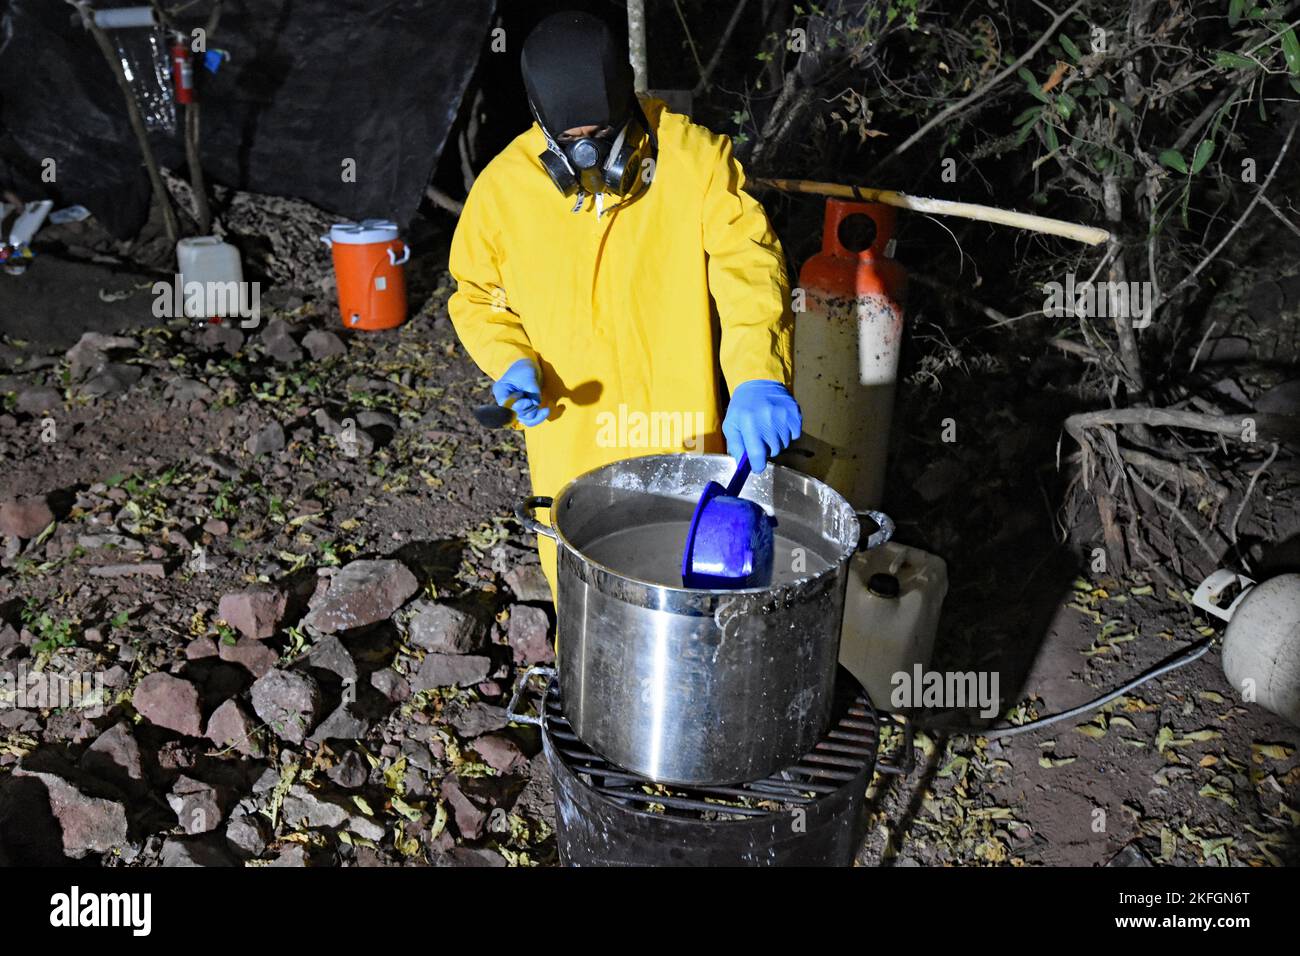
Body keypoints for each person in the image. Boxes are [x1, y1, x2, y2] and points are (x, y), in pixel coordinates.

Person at [448, 10, 801, 598]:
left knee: (694, 588)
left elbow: (751, 269)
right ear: (539, 118)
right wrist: (508, 358)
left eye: (601, 136)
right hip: (571, 441)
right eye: (571, 143)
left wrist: (758, 375)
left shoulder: (694, 160)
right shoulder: (502, 191)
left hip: (682, 439)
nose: (588, 159)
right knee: (583, 596)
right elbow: (478, 295)